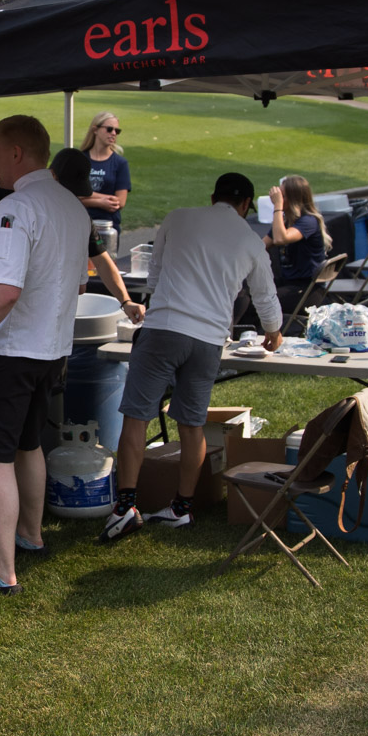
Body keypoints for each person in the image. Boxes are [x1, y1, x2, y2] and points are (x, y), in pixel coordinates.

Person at [0, 115, 90, 596]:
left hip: (11, 352)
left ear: (16, 154)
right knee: (29, 444)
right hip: (52, 350)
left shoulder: (14, 207)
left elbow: (5, 290)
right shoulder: (72, 206)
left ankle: (3, 571)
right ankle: (31, 535)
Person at [100, 173, 284, 543]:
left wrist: (153, 299)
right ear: (246, 205)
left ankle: (125, 507)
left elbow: (157, 269)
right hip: (208, 340)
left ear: (213, 195)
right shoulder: (250, 240)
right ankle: (182, 509)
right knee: (191, 424)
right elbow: (266, 296)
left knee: (137, 417)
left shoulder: (179, 217)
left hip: (164, 327)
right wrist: (273, 331)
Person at [49, 148, 143, 315]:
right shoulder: (29, 210)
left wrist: (126, 301)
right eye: (69, 189)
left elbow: (102, 260)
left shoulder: (80, 217)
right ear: (52, 176)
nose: (72, 196)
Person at [266, 174, 331, 314]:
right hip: (287, 283)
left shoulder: (309, 222)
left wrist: (278, 207)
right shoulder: (286, 222)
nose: (279, 199)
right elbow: (260, 246)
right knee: (249, 293)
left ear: (293, 199)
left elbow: (280, 239)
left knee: (261, 303)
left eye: (282, 196)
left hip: (306, 290)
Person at [79, 110, 131, 235]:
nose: (113, 133)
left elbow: (119, 202)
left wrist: (84, 197)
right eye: (109, 129)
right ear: (95, 130)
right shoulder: (79, 160)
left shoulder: (120, 163)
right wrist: (101, 202)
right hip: (80, 224)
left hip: (107, 227)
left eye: (117, 131)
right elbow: (71, 196)